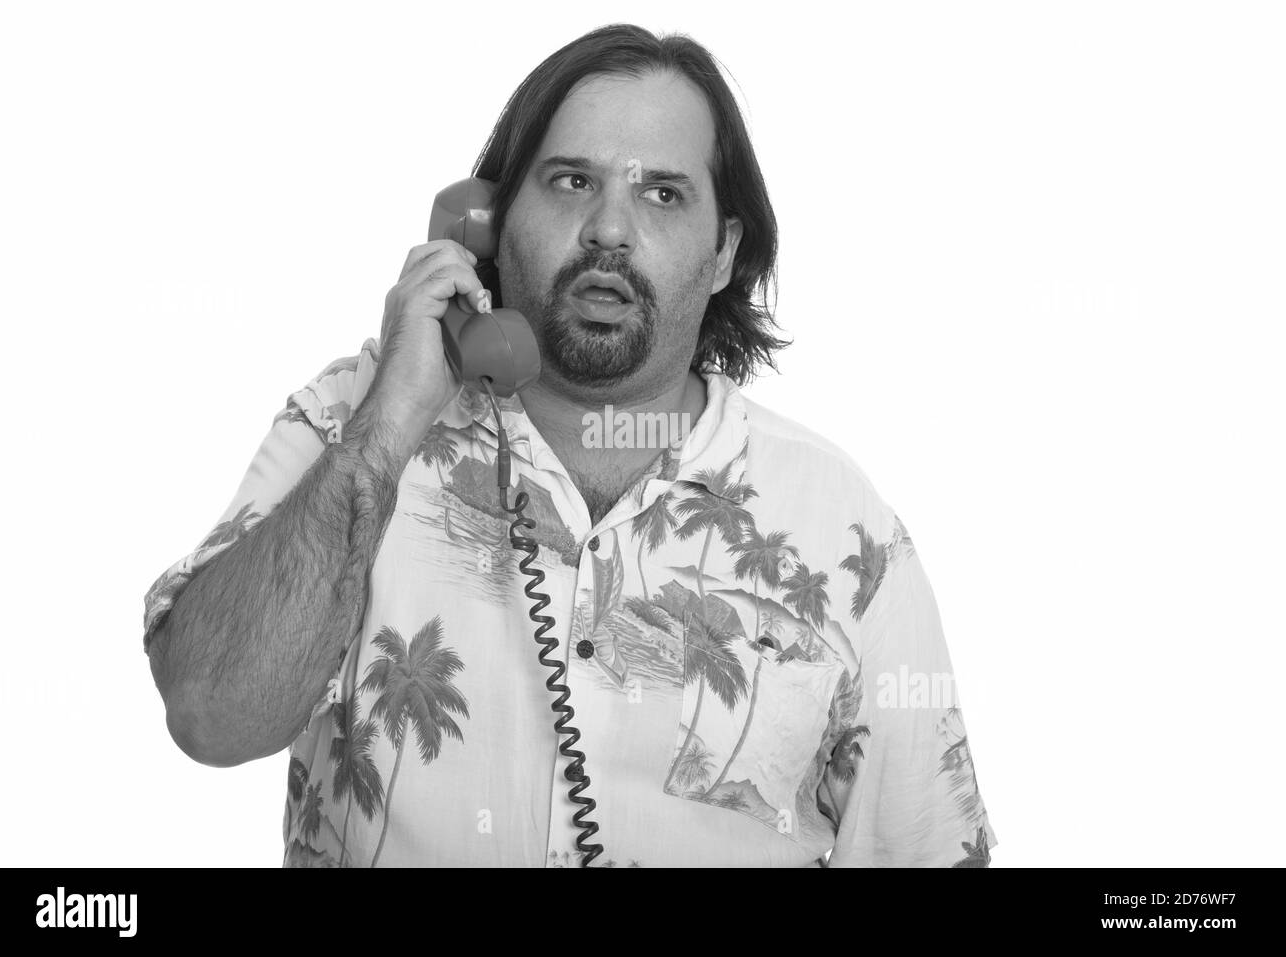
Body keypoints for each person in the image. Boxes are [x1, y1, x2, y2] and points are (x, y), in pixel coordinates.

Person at [143, 23, 996, 868]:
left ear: (724, 252)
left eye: (663, 194)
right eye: (571, 181)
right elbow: (211, 715)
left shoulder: (841, 524)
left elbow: (929, 853)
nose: (609, 229)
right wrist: (388, 425)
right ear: (488, 220)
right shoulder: (350, 417)